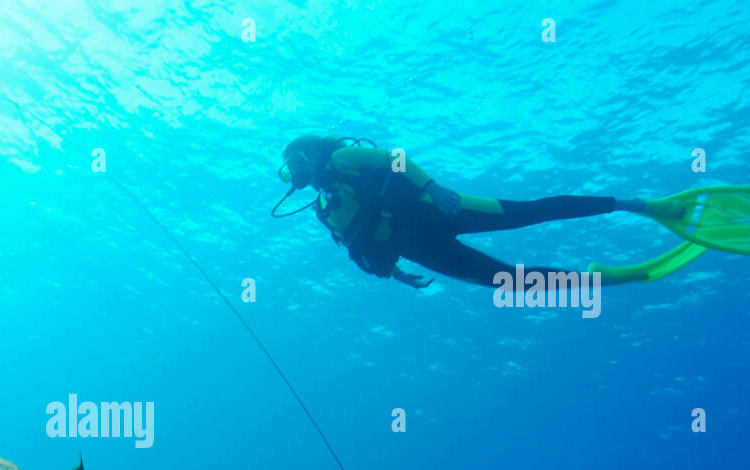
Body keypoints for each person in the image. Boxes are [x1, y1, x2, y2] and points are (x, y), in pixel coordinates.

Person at [272, 135, 750, 288]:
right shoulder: (321, 210)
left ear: (310, 153)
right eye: (288, 169)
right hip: (419, 250)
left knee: (533, 212)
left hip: (434, 211)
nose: (294, 172)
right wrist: (396, 273)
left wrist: (433, 186)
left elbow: (394, 158)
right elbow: (361, 244)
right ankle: (605, 279)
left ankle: (645, 206)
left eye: (295, 161)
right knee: (512, 284)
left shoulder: (342, 160)